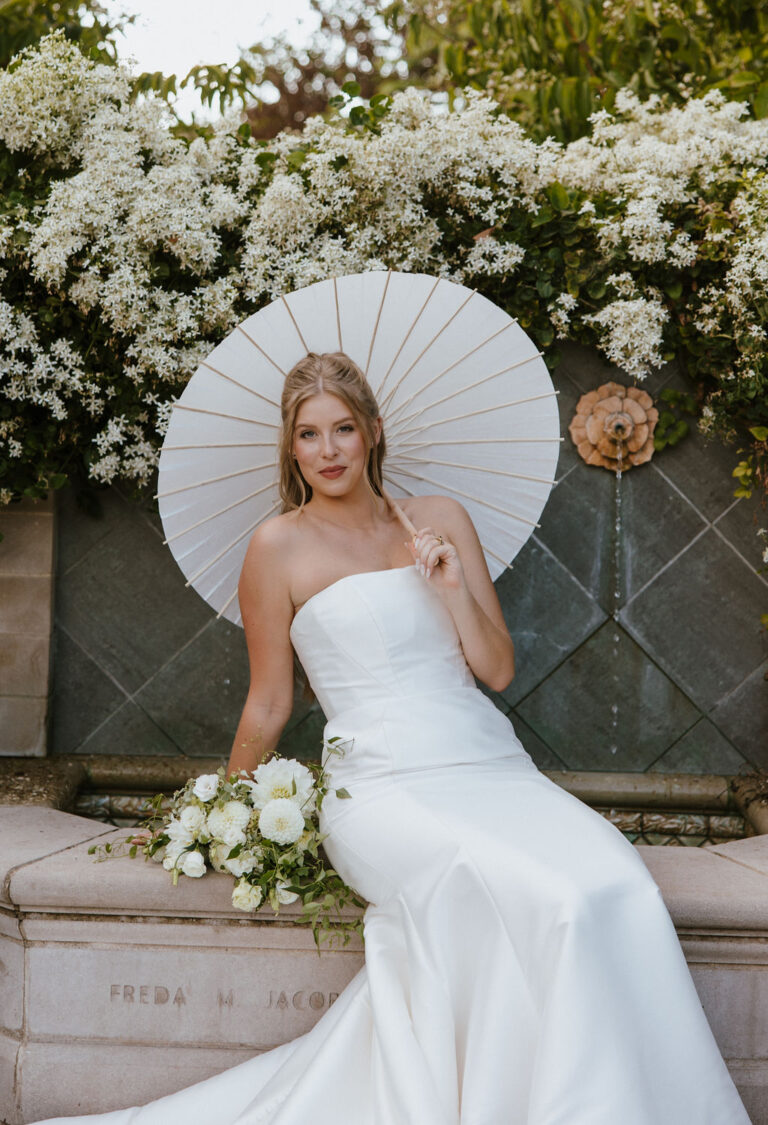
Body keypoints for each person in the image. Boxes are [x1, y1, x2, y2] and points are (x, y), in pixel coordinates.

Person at [32, 351, 751, 1125]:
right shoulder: (275, 547)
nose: (329, 449)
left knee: (618, 885)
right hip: (378, 788)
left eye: (343, 428)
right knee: (545, 901)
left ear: (374, 432)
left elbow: (498, 668)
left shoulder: (439, 521)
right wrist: (213, 813)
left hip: (490, 768)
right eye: (309, 434)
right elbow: (269, 703)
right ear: (291, 446)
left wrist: (449, 587)